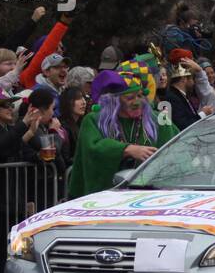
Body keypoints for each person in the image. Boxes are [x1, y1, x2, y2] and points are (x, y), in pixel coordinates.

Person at [66, 69, 177, 198]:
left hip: (151, 196)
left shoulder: (159, 120)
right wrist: (126, 149)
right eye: (130, 98)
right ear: (114, 102)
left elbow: (177, 148)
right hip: (106, 199)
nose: (137, 102)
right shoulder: (94, 120)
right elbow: (92, 149)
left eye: (140, 96)